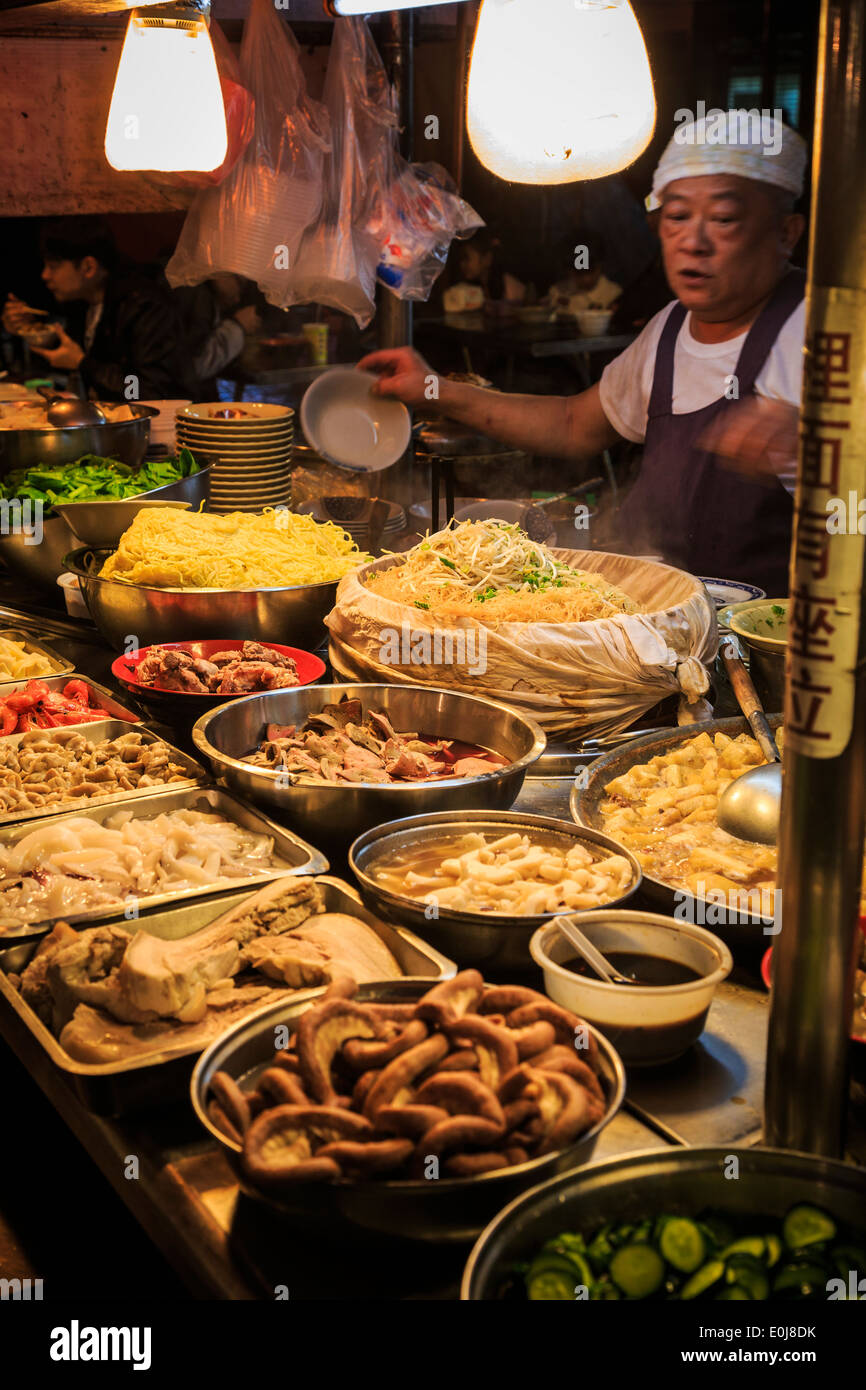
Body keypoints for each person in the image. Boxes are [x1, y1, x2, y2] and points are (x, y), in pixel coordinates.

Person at [359, 113, 808, 595]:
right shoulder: (670, 327)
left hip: (763, 648)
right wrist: (435, 390)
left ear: (786, 233)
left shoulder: (821, 332)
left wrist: (827, 453)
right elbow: (575, 423)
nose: (693, 243)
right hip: (651, 626)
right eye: (676, 216)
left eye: (724, 219)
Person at [2, 218, 191, 400]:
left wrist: (82, 364)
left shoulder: (143, 306)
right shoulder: (84, 303)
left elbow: (144, 391)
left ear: (88, 267)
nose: (45, 275)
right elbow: (62, 362)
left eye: (53, 267)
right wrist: (28, 330)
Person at [174, 274, 262, 396]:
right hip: (179, 398)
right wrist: (238, 326)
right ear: (222, 274)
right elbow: (195, 365)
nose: (237, 298)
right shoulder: (197, 297)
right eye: (239, 284)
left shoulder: (203, 294)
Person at [546, 234, 621, 318]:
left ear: (600, 266)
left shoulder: (613, 294)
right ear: (568, 270)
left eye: (591, 271)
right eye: (579, 273)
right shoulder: (557, 293)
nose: (586, 279)